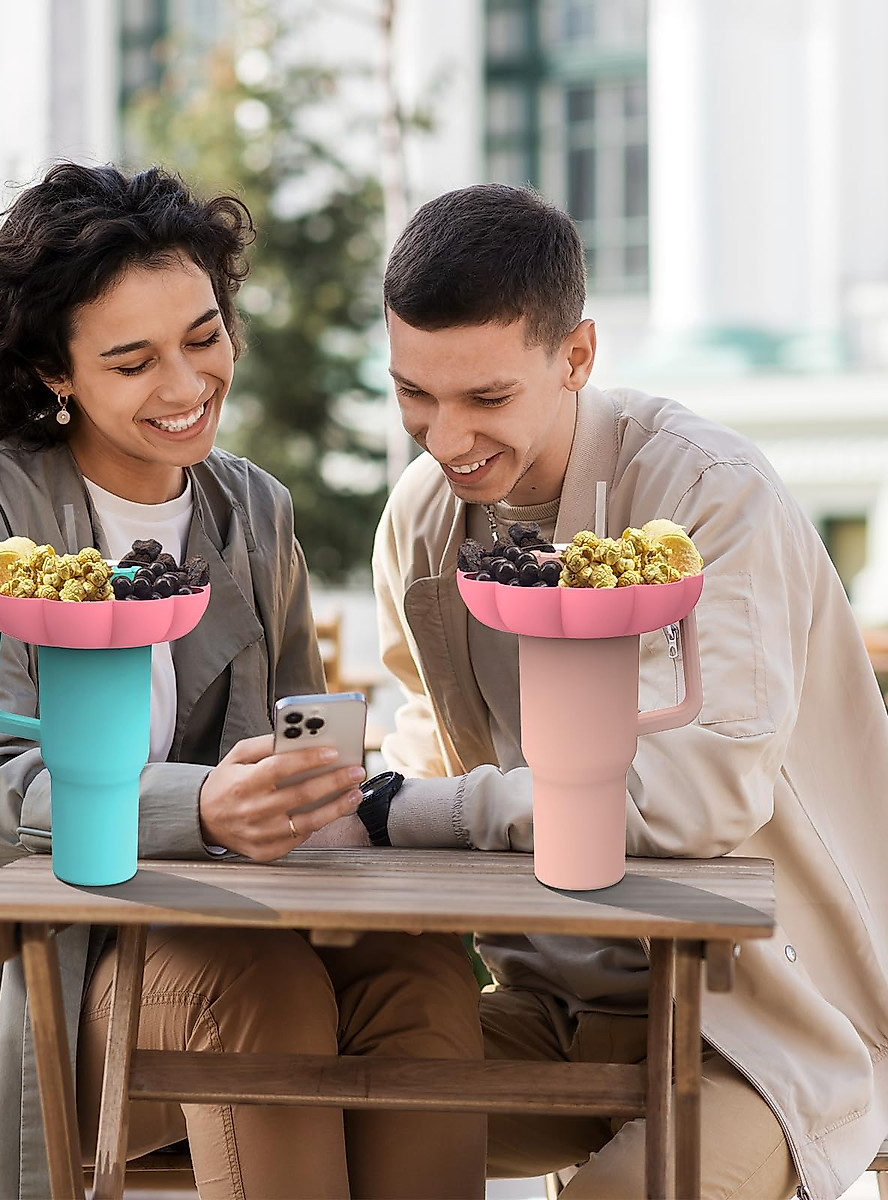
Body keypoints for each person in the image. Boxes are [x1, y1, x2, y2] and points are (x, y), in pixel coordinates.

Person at [0, 163, 487, 1200]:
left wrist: (322, 796)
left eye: (203, 338)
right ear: (55, 371)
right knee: (254, 992)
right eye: (132, 362)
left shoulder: (253, 511)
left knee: (425, 980)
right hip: (45, 959)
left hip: (234, 918)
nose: (185, 387)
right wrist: (204, 806)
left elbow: (303, 739)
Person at [350, 183, 888, 1199]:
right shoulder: (421, 519)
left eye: (486, 398)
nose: (444, 437)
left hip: (757, 1029)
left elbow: (697, 796)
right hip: (547, 1004)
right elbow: (426, 749)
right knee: (311, 1120)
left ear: (578, 356)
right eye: (414, 393)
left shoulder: (709, 492)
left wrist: (419, 810)